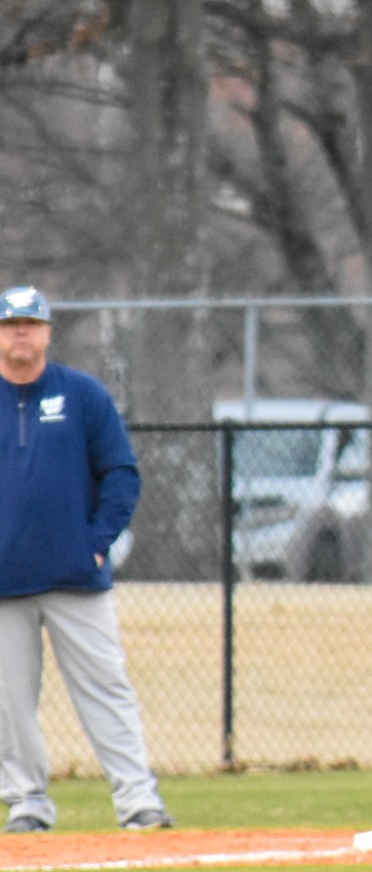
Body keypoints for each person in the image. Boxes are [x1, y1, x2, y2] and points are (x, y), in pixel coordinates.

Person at [0, 285, 173, 834]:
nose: (20, 332)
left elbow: (121, 473)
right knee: (9, 707)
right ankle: (27, 804)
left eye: (30, 322)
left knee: (106, 691)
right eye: (10, 324)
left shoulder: (82, 395)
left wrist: (95, 540)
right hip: (4, 585)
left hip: (77, 578)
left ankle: (138, 802)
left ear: (48, 332)